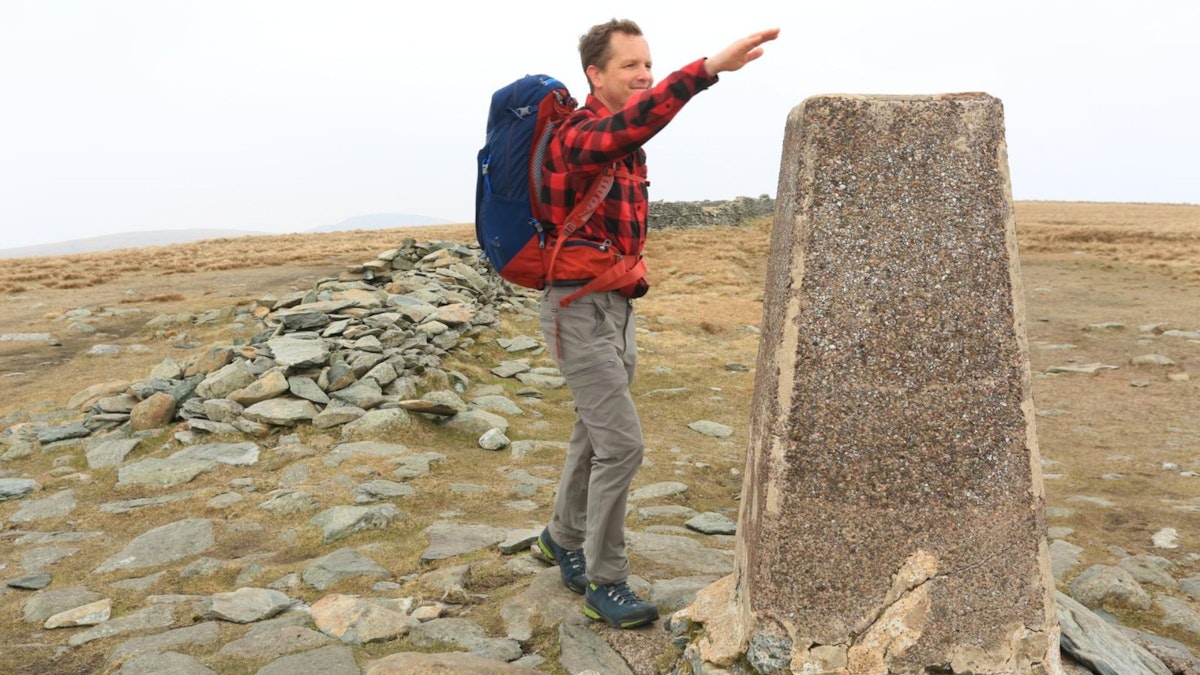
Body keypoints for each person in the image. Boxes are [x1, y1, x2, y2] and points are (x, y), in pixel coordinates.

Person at [535, 18, 779, 629]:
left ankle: (561, 536)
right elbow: (634, 123)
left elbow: (634, 130)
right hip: (576, 310)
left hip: (614, 307)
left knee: (594, 432)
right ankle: (606, 580)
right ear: (595, 75)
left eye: (649, 64)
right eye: (630, 65)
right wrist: (706, 70)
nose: (644, 74)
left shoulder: (623, 143)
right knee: (622, 445)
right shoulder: (578, 136)